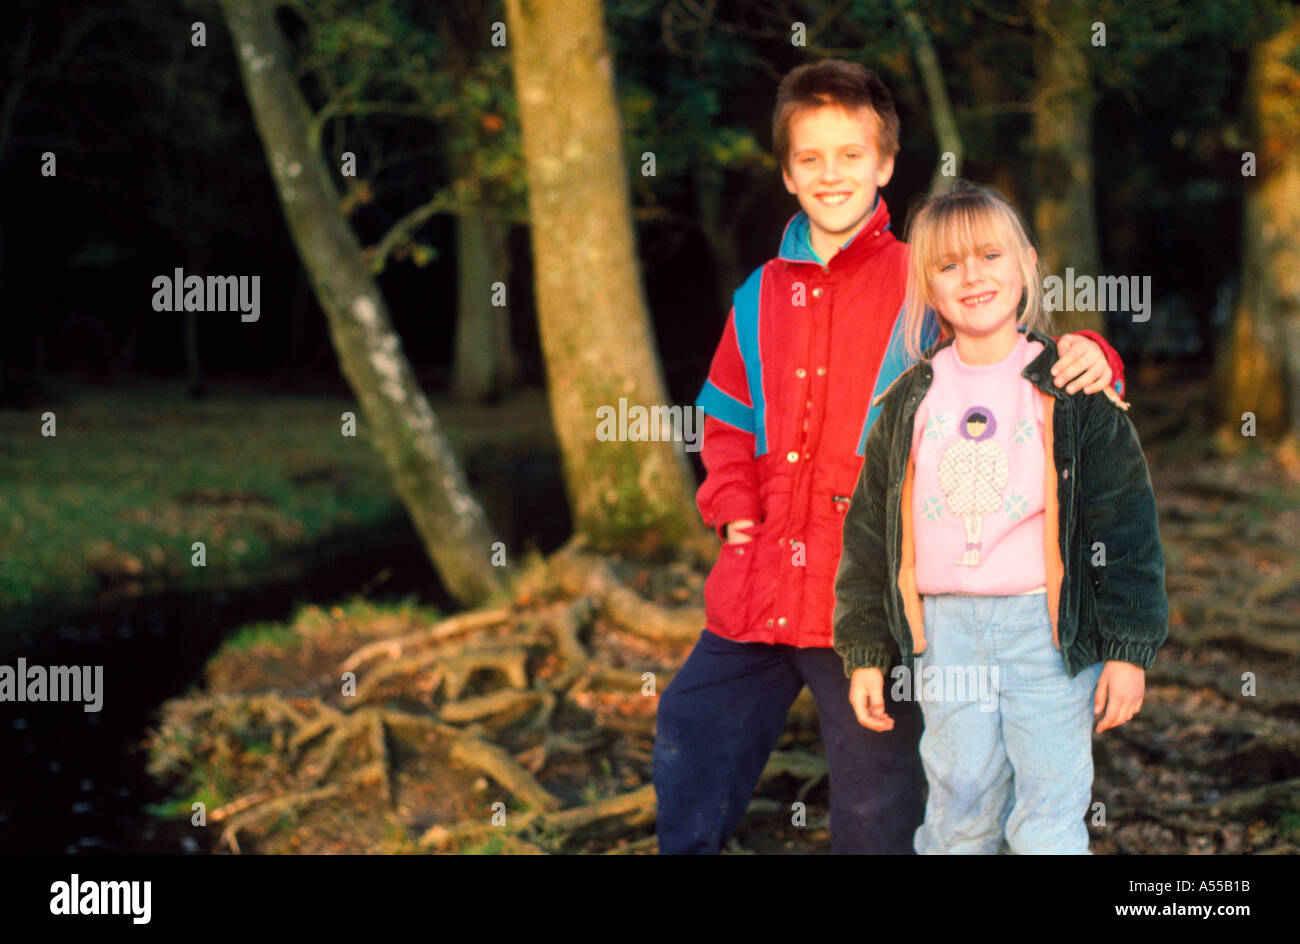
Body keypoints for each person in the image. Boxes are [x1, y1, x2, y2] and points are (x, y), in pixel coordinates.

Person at [652, 59, 1126, 854]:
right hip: (758, 582)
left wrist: (1094, 356)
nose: (830, 174)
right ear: (787, 173)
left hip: (867, 593)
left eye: (850, 155)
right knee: (690, 729)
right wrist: (731, 507)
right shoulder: (759, 294)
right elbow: (724, 417)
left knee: (878, 798)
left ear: (884, 164)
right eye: (810, 158)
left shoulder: (921, 276)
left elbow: (1008, 356)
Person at [832, 180, 1169, 854]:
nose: (973, 276)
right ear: (927, 288)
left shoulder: (1072, 388)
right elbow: (869, 535)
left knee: (1049, 810)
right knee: (960, 807)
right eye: (949, 265)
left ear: (1027, 264)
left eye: (990, 256)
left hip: (1046, 629)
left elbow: (1126, 528)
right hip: (944, 635)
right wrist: (866, 653)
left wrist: (1129, 651)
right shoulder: (908, 399)